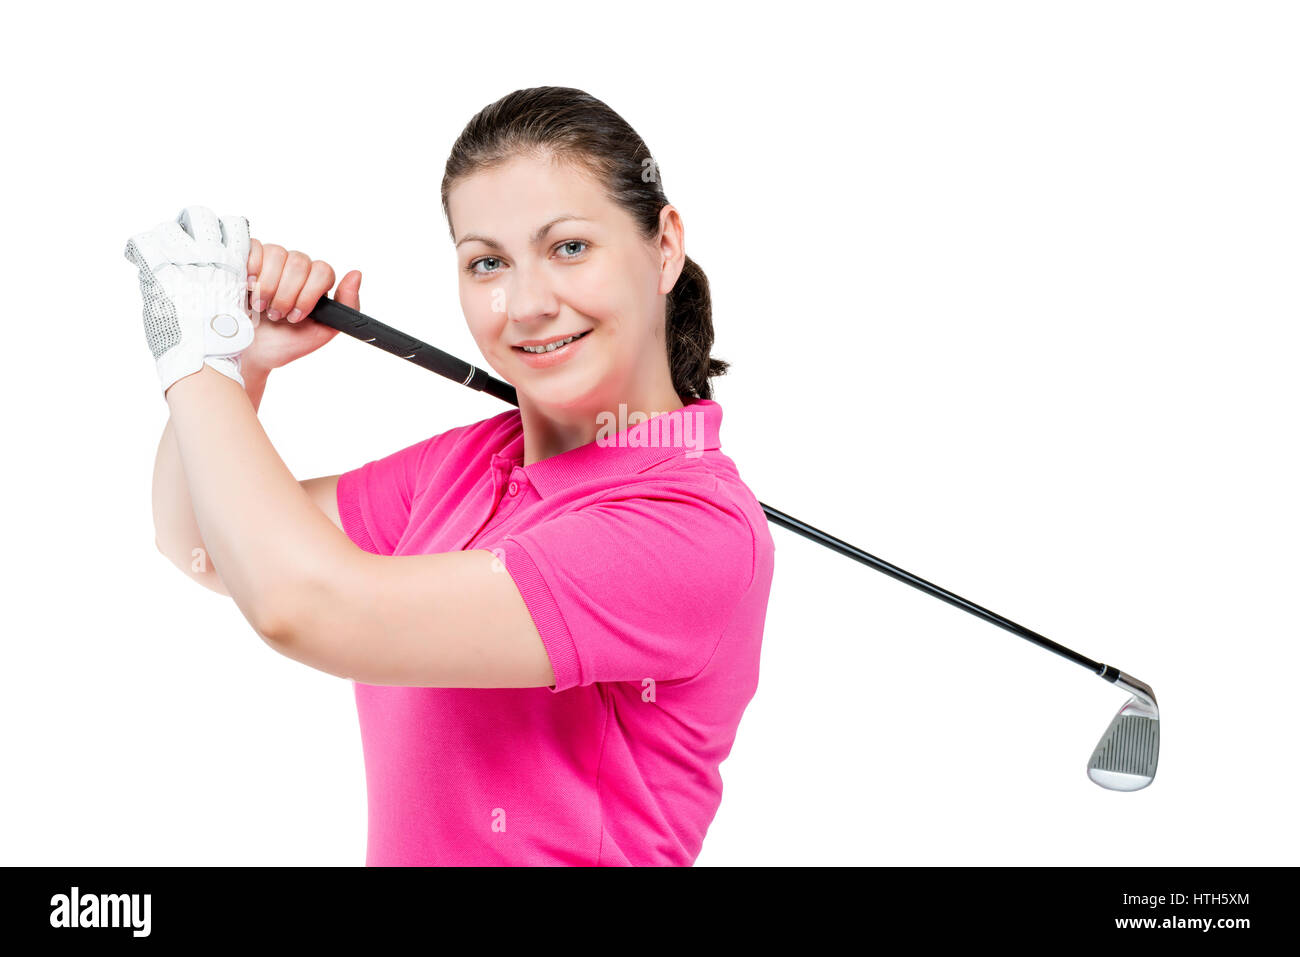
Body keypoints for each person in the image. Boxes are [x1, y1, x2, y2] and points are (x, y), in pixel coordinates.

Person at [138, 86, 776, 866]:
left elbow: (304, 606)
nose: (528, 303)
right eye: (488, 263)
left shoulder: (691, 529)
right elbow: (202, 542)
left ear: (665, 246)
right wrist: (237, 364)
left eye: (570, 247)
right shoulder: (472, 463)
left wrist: (190, 353)